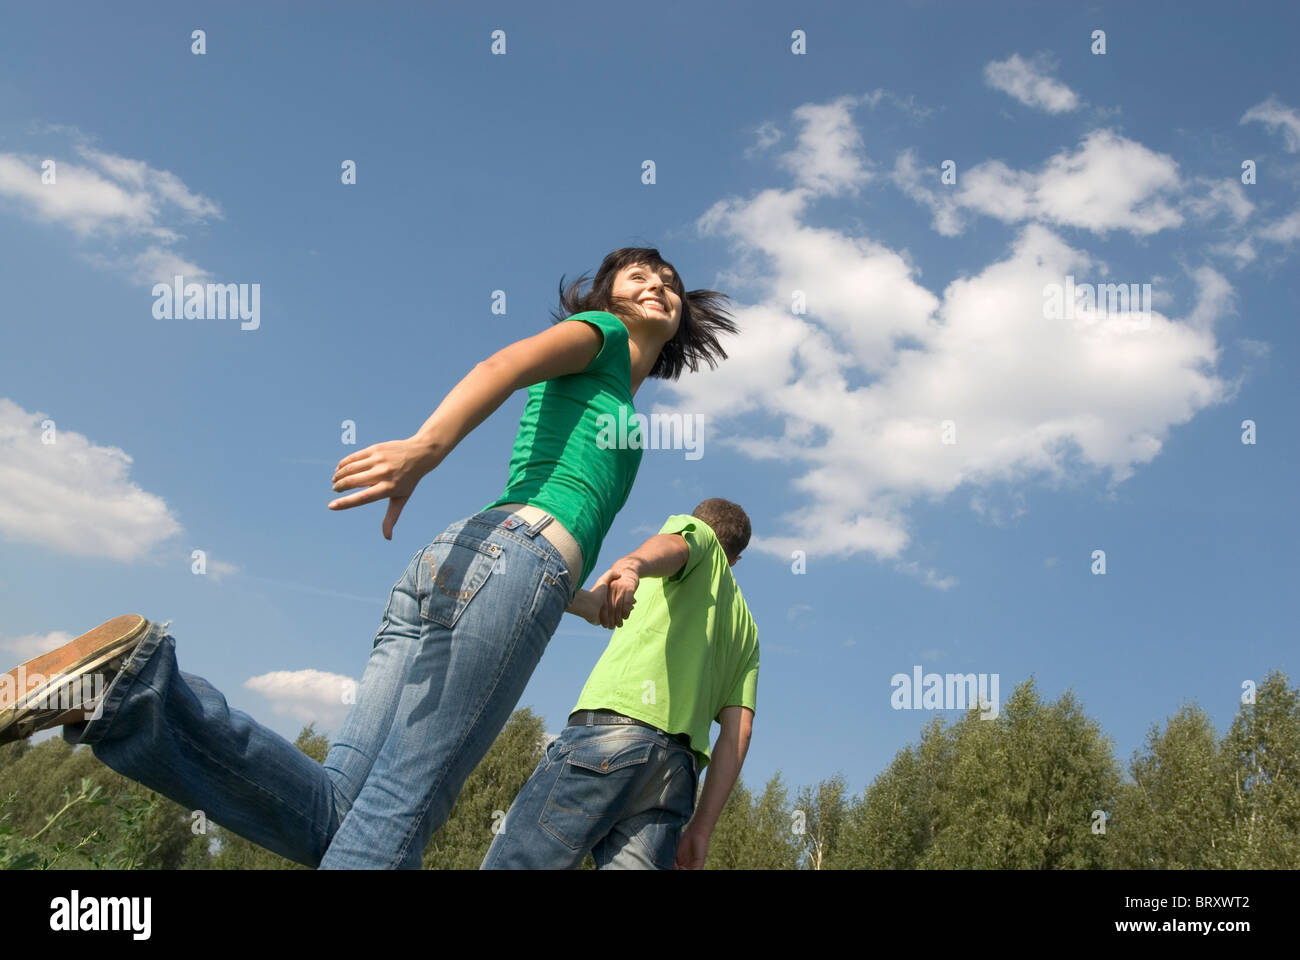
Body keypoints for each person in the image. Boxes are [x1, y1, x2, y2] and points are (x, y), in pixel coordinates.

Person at [0, 248, 737, 869]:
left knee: (340, 808)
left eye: (669, 281)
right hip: (509, 566)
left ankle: (124, 692)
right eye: (638, 274)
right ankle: (133, 692)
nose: (658, 286)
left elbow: (550, 516)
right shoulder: (600, 337)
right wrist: (428, 446)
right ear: (605, 295)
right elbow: (504, 362)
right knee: (399, 811)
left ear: (682, 321)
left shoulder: (618, 399)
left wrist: (582, 598)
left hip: (463, 567)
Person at [481, 498, 758, 870]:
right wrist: (702, 828)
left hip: (616, 734)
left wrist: (631, 566)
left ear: (694, 525)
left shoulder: (698, 539)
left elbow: (676, 546)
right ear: (737, 560)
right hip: (675, 777)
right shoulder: (749, 632)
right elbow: (739, 733)